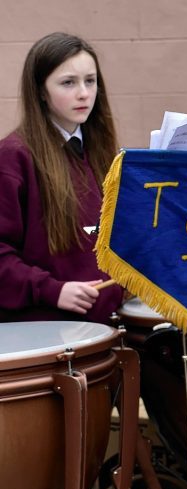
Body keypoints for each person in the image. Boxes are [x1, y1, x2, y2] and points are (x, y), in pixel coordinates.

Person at [0, 32, 122, 324]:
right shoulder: (13, 157)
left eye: (90, 81)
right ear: (41, 91)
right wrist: (52, 291)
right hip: (46, 331)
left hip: (107, 325)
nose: (83, 93)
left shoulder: (103, 152)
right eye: (68, 82)